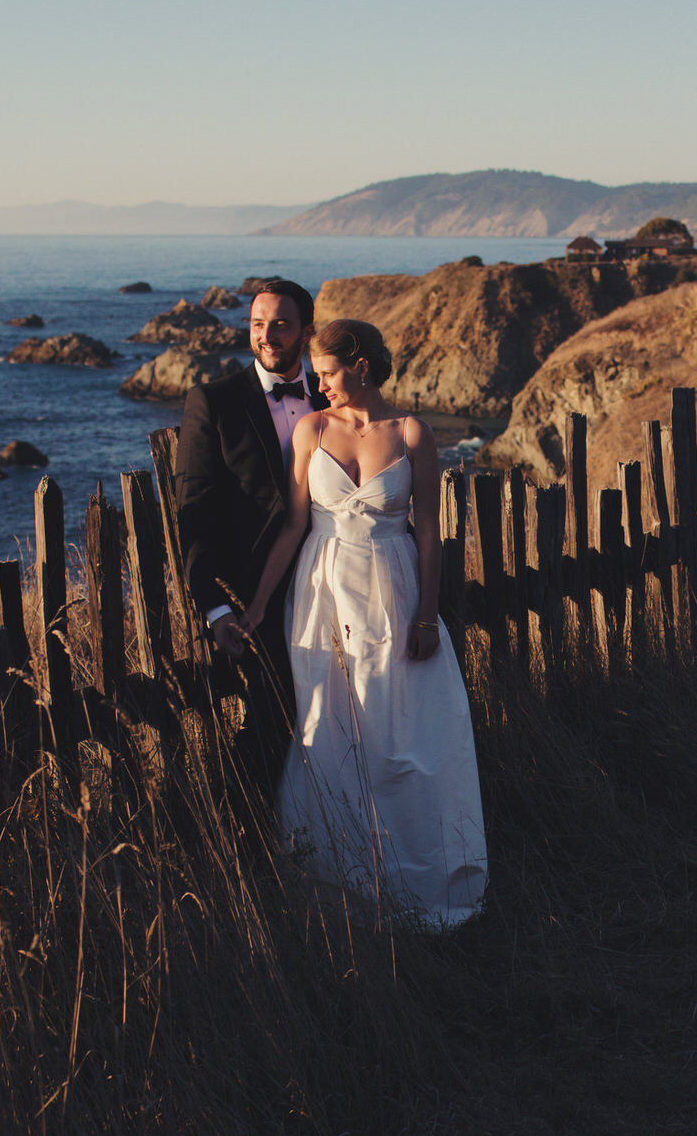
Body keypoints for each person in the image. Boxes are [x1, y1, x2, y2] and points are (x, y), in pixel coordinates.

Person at [243, 318, 487, 929]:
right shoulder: (310, 429)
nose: (317, 384)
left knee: (404, 734)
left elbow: (429, 531)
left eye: (325, 372)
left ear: (359, 363)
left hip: (394, 590)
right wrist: (254, 607)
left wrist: (427, 615)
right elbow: (295, 527)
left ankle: (420, 879)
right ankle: (336, 884)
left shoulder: (412, 434)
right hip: (323, 594)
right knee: (328, 730)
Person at [174, 277, 326, 800]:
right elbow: (192, 515)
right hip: (257, 593)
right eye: (258, 324)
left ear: (306, 331)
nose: (267, 336)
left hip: (337, 580)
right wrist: (216, 609)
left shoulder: (333, 395)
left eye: (281, 325)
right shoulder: (213, 402)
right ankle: (251, 841)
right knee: (271, 720)